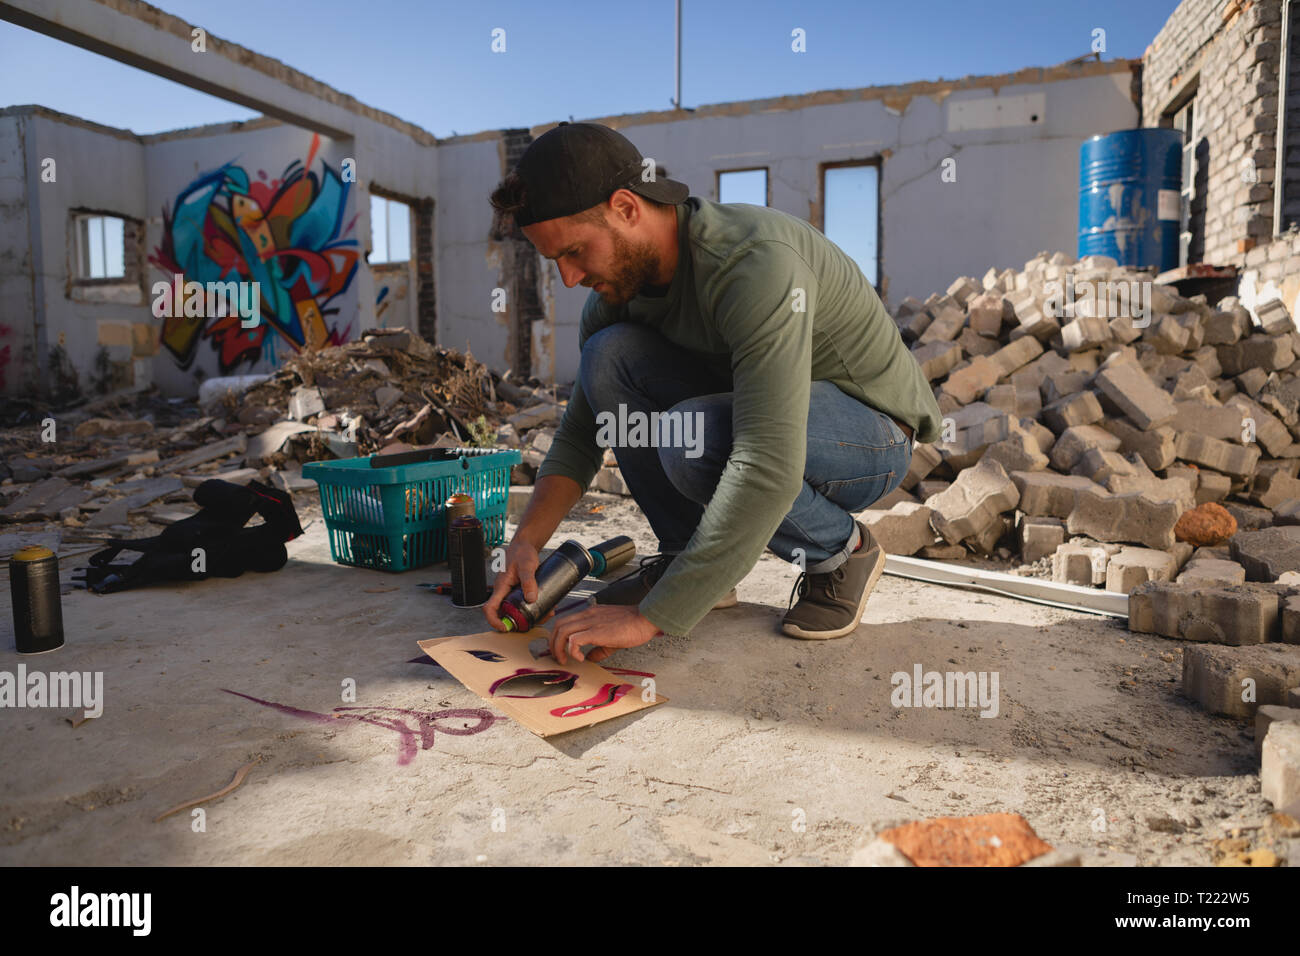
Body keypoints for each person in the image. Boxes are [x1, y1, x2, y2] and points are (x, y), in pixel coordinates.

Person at [484, 121, 941, 666]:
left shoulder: (753, 263)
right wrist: (527, 541)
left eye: (577, 251)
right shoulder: (615, 296)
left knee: (693, 438)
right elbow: (583, 436)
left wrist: (653, 617)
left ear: (627, 208)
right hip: (754, 419)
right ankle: (687, 559)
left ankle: (842, 553)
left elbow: (766, 459)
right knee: (606, 357)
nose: (568, 277)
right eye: (553, 260)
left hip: (871, 433)